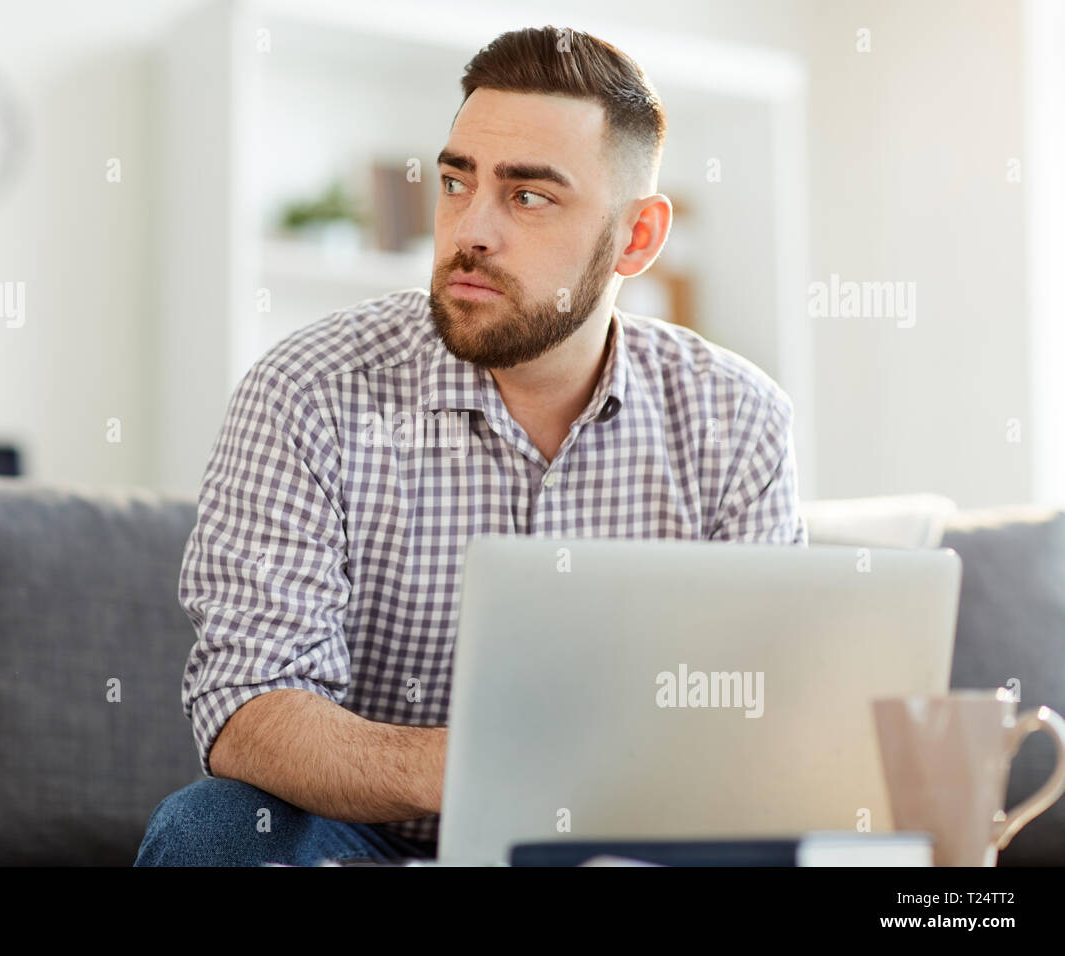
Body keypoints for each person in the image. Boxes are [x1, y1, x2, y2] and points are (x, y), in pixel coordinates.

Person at [135, 24, 807, 867]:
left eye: (529, 196)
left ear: (636, 238)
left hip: (622, 850)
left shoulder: (736, 420)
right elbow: (251, 710)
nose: (470, 230)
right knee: (215, 827)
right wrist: (493, 765)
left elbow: (758, 723)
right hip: (371, 845)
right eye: (457, 182)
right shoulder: (309, 390)